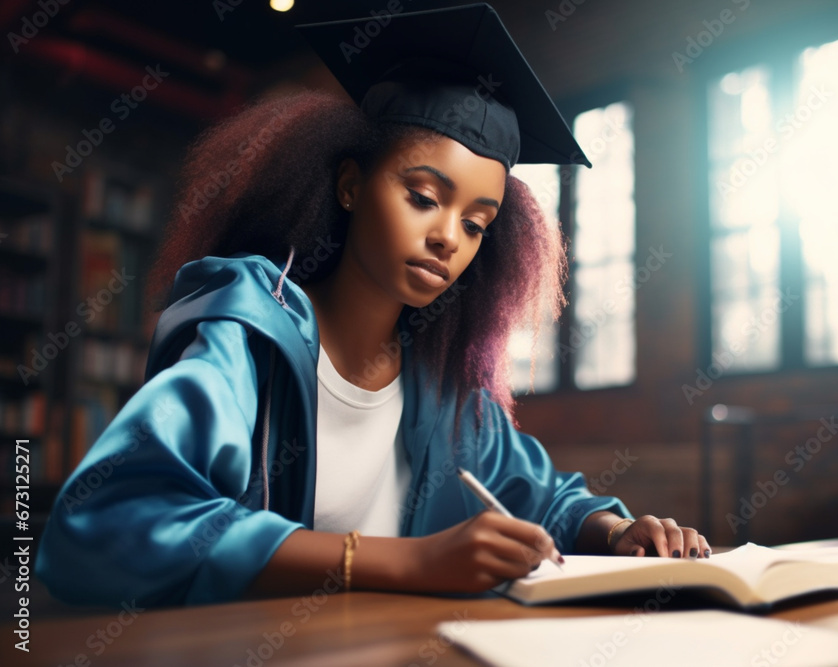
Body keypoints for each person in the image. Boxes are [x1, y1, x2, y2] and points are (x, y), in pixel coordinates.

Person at [37, 4, 709, 608]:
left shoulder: (441, 386)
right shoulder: (248, 338)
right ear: (351, 185)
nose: (447, 237)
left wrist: (616, 530)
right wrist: (406, 561)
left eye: (476, 223)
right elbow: (106, 523)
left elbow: (539, 495)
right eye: (423, 197)